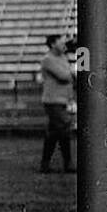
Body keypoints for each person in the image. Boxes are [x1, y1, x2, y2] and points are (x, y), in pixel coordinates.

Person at [39, 34, 76, 173]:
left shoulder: (62, 57)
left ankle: (45, 164)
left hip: (62, 99)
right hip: (53, 100)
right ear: (53, 44)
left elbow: (69, 75)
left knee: (53, 133)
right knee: (64, 129)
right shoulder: (48, 59)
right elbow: (64, 76)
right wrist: (74, 71)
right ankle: (68, 163)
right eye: (61, 43)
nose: (64, 45)